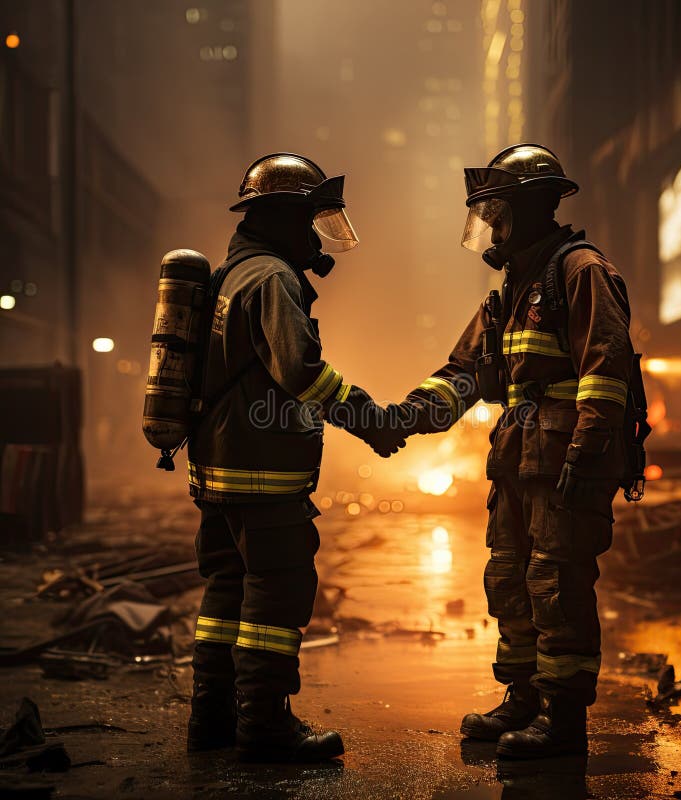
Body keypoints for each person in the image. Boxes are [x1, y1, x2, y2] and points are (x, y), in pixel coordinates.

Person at [396, 144, 634, 759]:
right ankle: (523, 699)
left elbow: (606, 373)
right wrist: (401, 418)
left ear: (530, 208)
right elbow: (463, 372)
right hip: (517, 461)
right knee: (510, 579)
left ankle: (563, 719)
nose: (492, 227)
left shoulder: (579, 272)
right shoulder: (508, 293)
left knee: (557, 584)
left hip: (561, 463)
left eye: (497, 213)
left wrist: (585, 454)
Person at [186, 153, 405, 762]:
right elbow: (301, 371)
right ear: (283, 218)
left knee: (227, 590)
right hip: (263, 471)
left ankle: (211, 719)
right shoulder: (272, 278)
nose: (316, 236)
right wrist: (369, 419)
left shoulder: (231, 275)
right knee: (276, 593)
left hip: (219, 467)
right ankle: (265, 725)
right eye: (310, 220)